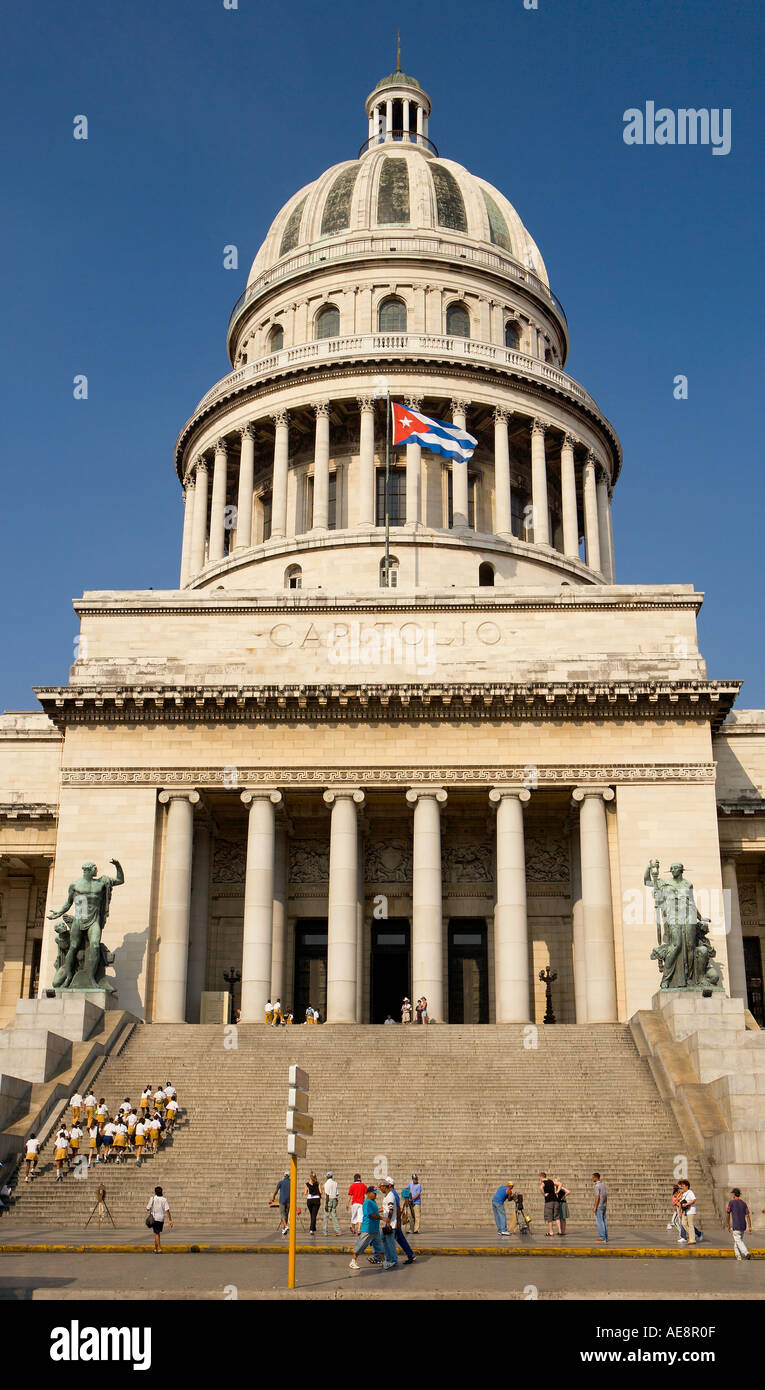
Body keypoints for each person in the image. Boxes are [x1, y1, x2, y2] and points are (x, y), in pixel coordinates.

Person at [349, 1185, 384, 1269]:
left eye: (376, 1193)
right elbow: (371, 1214)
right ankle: (353, 1261)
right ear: (368, 1193)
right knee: (361, 1245)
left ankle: (384, 1262)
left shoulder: (373, 1202)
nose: (376, 1195)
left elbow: (376, 1210)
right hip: (368, 1229)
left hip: (375, 1229)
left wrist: (383, 1209)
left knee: (379, 1246)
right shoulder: (367, 1202)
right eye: (374, 1193)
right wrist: (382, 1218)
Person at [389, 1178, 416, 1264]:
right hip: (394, 1221)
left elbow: (397, 1208)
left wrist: (398, 1222)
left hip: (394, 1222)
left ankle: (379, 1257)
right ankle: (411, 1255)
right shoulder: (393, 1193)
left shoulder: (392, 1194)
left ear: (389, 1185)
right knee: (400, 1239)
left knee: (386, 1240)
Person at [726, 1188, 752, 1261]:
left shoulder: (731, 1202)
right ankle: (738, 1257)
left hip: (736, 1225)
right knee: (737, 1241)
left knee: (738, 1241)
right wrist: (750, 1226)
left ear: (734, 1194)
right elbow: (747, 1215)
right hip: (743, 1226)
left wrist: (728, 1224)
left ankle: (746, 1253)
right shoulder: (744, 1203)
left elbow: (728, 1214)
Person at [379, 1180, 399, 1269]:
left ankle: (393, 1260)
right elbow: (385, 1209)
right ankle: (389, 1259)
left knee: (390, 1243)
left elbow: (391, 1210)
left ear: (385, 1186)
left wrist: (388, 1221)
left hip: (390, 1224)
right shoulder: (386, 1196)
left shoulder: (390, 1196)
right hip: (386, 1223)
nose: (380, 1188)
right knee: (383, 1240)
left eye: (381, 1187)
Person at [146, 1186, 172, 1253]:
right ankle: (156, 1248)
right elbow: (167, 1210)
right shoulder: (164, 1199)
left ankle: (159, 1248)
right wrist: (170, 1220)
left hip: (155, 1218)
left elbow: (147, 1208)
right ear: (161, 1192)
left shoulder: (153, 1198)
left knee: (156, 1233)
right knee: (157, 1233)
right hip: (161, 1218)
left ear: (155, 1192)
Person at [678, 1178, 702, 1246]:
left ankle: (692, 1239)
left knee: (690, 1224)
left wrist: (687, 1204)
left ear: (687, 1186)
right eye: (682, 1186)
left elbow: (694, 1200)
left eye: (683, 1186)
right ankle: (692, 1235)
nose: (682, 1187)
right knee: (683, 1223)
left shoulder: (690, 1192)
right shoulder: (684, 1193)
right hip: (685, 1211)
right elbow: (679, 1201)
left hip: (690, 1210)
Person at [539, 1172, 559, 1237]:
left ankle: (551, 1232)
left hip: (549, 1201)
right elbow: (560, 1184)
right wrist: (557, 1191)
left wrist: (544, 1194)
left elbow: (540, 1188)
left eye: (540, 1178)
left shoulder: (543, 1182)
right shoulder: (551, 1181)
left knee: (549, 1217)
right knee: (557, 1216)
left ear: (541, 1177)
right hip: (556, 1200)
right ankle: (560, 1231)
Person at [592, 1172, 608, 1243]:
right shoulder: (603, 1185)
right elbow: (605, 1196)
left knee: (600, 1221)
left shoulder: (597, 1186)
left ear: (596, 1178)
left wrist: (595, 1206)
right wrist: (605, 1204)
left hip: (599, 1206)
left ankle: (602, 1237)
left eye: (593, 1177)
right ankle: (605, 1237)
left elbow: (597, 1197)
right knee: (604, 1221)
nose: (592, 1178)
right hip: (603, 1205)